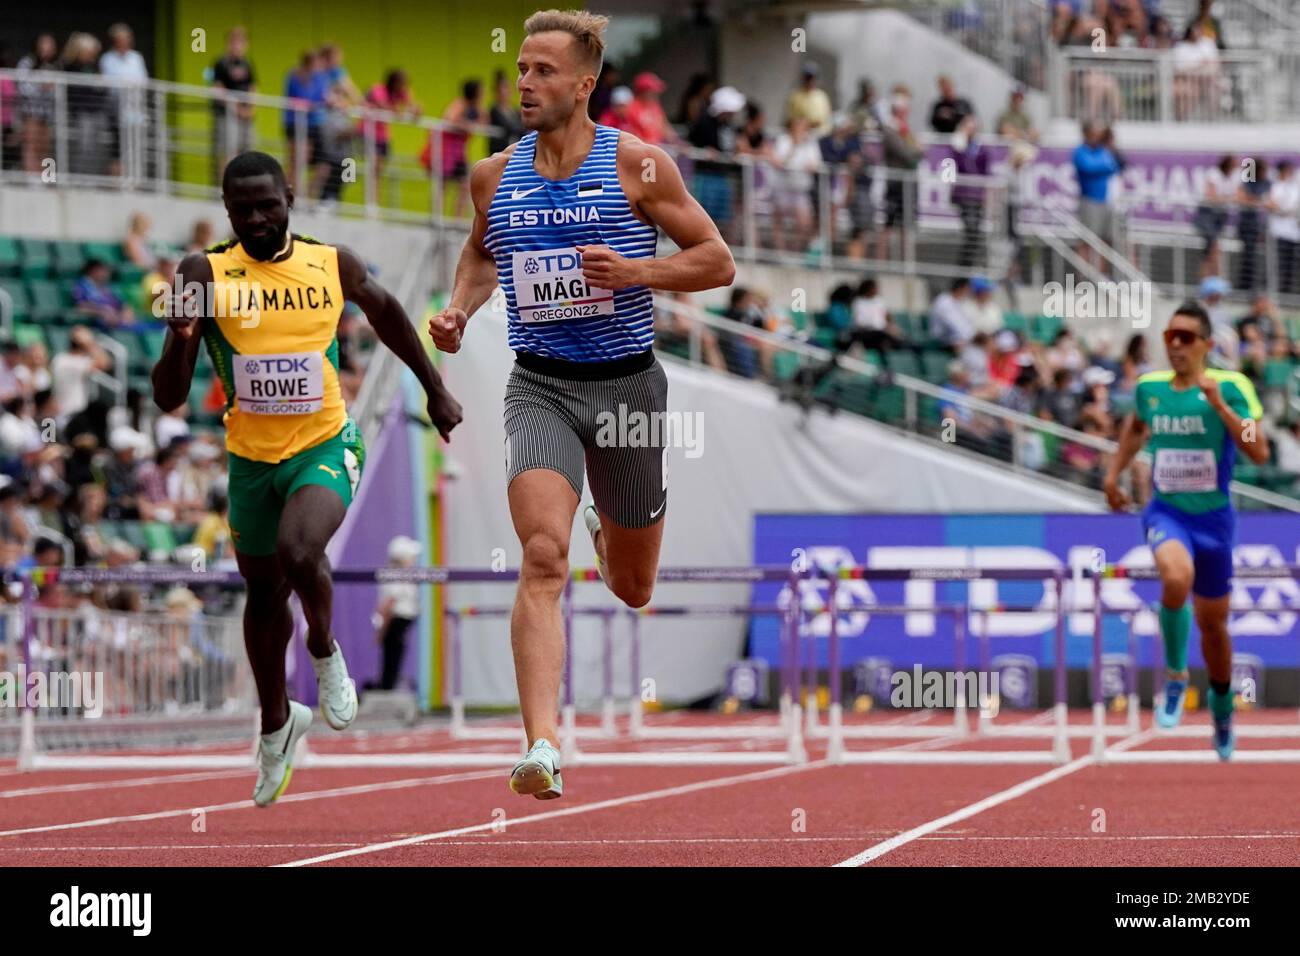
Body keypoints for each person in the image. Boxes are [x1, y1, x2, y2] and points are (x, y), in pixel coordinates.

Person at [427, 9, 734, 801]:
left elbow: (716, 261)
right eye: (521, 70)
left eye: (543, 72)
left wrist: (639, 274)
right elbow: (479, 253)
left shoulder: (639, 167)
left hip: (628, 386)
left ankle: (612, 528)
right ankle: (543, 744)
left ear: (585, 84)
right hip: (541, 386)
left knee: (633, 588)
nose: (525, 83)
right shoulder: (494, 175)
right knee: (541, 558)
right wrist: (460, 309)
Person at [151, 150, 463, 806]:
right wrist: (181, 337)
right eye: (244, 210)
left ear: (290, 196)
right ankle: (275, 723)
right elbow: (168, 399)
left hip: (324, 442)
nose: (259, 218)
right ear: (227, 212)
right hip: (251, 461)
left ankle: (323, 649)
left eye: (269, 205)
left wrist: (434, 387)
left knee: (301, 550)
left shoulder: (331, 263)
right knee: (262, 598)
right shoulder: (203, 272)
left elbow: (387, 315)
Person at [1104, 302, 1269, 761]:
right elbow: (1136, 429)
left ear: (1207, 345)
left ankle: (1220, 707)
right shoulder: (1150, 388)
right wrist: (1113, 475)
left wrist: (1219, 405)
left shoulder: (1233, 386)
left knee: (1213, 627)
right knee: (1175, 579)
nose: (1175, 344)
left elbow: (1258, 452)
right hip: (1166, 512)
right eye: (1169, 336)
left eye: (1185, 337)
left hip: (1214, 521)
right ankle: (1175, 677)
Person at [370, 535, 422, 691]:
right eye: (411, 556)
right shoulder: (394, 575)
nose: (413, 559)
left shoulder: (405, 574)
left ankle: (389, 685)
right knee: (391, 655)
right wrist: (381, 630)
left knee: (396, 655)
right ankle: (387, 686)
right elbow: (388, 604)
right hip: (395, 621)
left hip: (402, 621)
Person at [210, 27, 257, 181]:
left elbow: (253, 87)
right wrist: (236, 108)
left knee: (247, 151)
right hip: (226, 115)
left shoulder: (247, 63)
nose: (237, 45)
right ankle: (225, 186)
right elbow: (218, 88)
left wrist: (250, 108)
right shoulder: (221, 63)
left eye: (241, 42)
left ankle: (244, 185)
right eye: (234, 41)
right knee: (227, 151)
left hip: (246, 117)